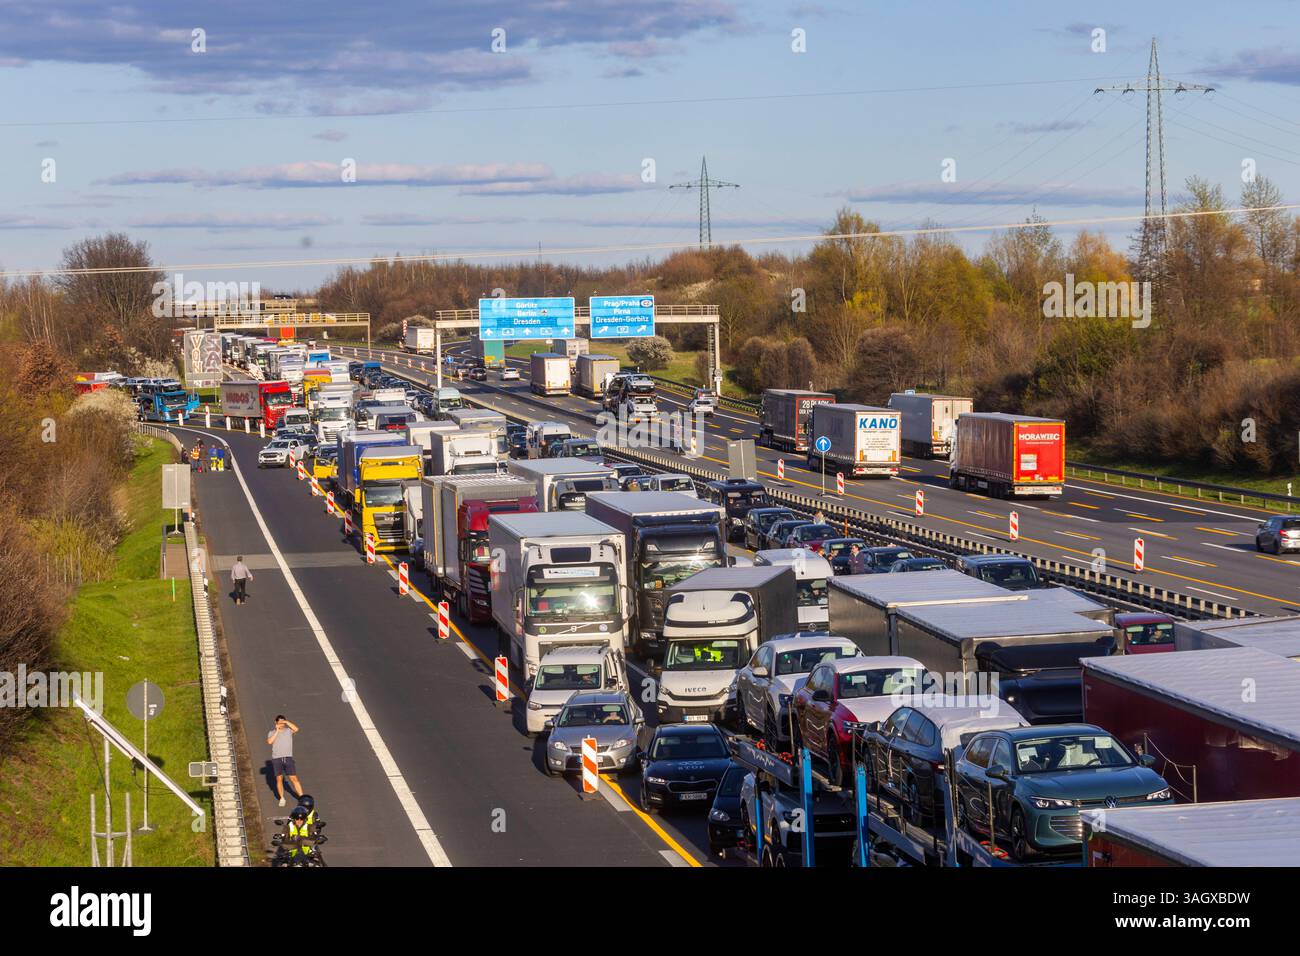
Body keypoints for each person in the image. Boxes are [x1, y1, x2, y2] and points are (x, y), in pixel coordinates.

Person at [267, 715, 303, 808]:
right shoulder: (272, 732)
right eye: (280, 722)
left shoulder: (288, 731)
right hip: (277, 759)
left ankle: (302, 798)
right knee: (279, 779)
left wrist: (286, 722)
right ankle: (282, 798)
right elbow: (270, 742)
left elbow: (296, 729)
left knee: (294, 778)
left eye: (283, 722)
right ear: (276, 722)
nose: (282, 724)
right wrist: (277, 731)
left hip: (288, 758)